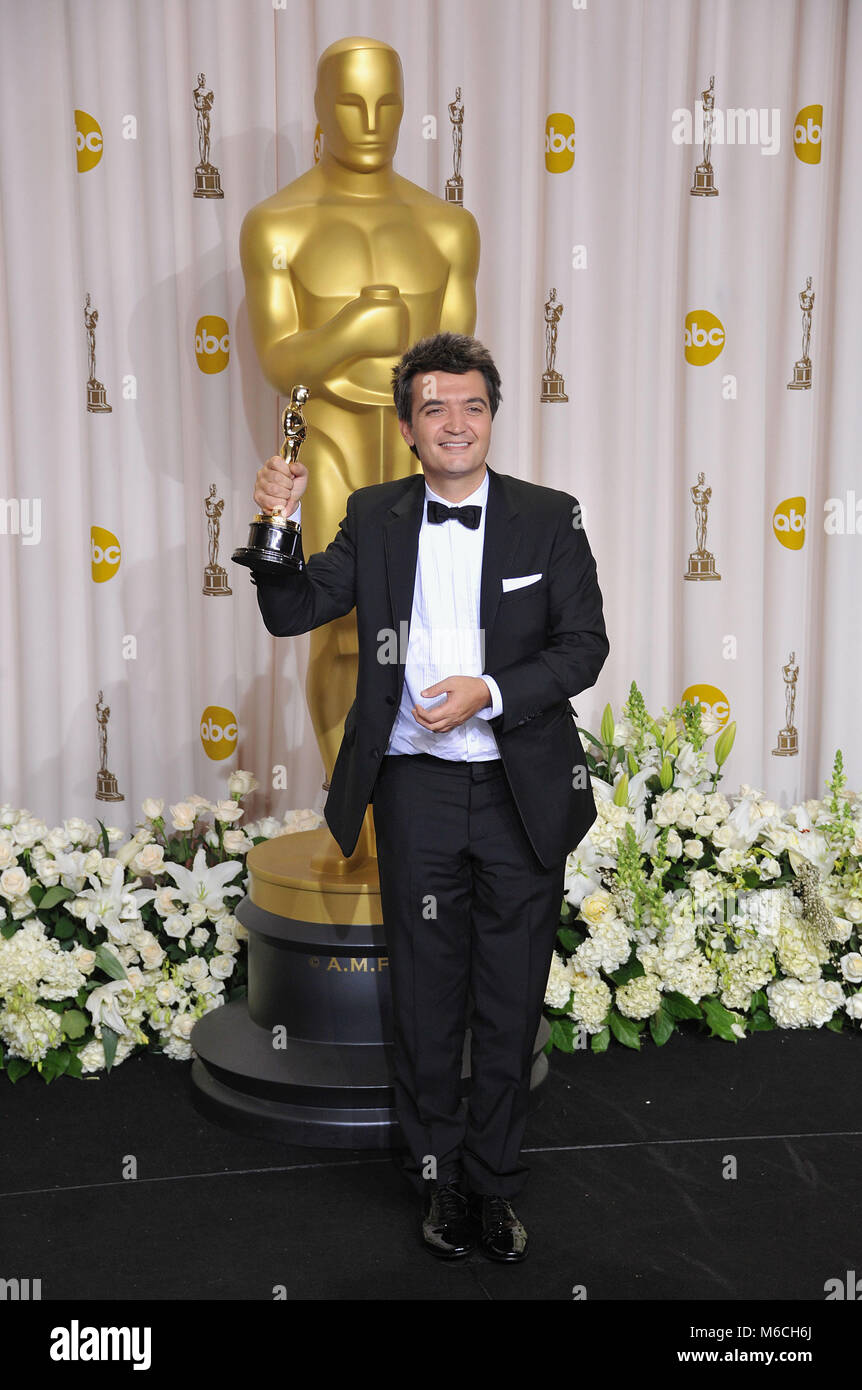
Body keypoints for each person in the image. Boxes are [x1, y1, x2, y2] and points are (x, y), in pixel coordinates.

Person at [249, 333, 609, 1262]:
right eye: (435, 408)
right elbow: (292, 611)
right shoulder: (373, 517)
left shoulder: (550, 516)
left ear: (492, 417)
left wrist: (487, 690)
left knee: (509, 993)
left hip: (518, 790)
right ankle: (439, 1180)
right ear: (408, 428)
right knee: (424, 996)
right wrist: (277, 529)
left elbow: (584, 649)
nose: (455, 423)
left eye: (472, 406)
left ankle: (495, 1183)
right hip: (411, 790)